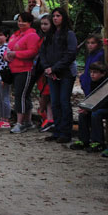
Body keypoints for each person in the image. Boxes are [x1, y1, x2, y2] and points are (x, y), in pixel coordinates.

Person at [37, 8, 78, 144]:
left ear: (63, 18)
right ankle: (57, 131)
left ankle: (66, 133)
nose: (55, 18)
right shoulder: (49, 35)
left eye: (58, 16)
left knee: (64, 102)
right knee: (55, 103)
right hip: (51, 74)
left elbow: (71, 54)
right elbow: (42, 52)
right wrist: (47, 68)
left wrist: (54, 68)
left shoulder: (69, 34)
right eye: (53, 16)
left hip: (65, 74)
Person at [6, 11, 41, 134]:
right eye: (19, 21)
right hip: (14, 68)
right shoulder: (16, 35)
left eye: (24, 21)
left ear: (30, 23)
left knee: (20, 95)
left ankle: (20, 122)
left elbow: (32, 52)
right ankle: (28, 121)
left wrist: (16, 54)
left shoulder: (32, 36)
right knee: (24, 95)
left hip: (25, 69)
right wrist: (6, 55)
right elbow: (8, 48)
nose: (21, 23)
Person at [73, 62, 108, 152]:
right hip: (97, 106)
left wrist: (90, 109)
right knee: (82, 114)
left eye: (95, 72)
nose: (92, 75)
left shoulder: (106, 84)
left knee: (95, 114)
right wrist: (86, 108)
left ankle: (98, 142)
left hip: (107, 108)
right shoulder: (93, 83)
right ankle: (83, 140)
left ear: (103, 74)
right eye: (91, 72)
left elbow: (105, 101)